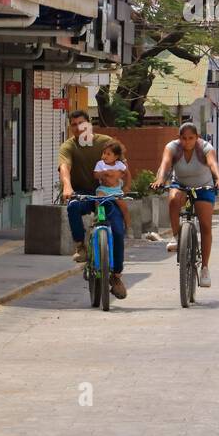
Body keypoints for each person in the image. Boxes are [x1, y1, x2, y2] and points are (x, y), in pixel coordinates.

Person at [59, 110, 127, 299]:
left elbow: (123, 166)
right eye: (73, 125)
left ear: (89, 124)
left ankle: (116, 276)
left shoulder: (104, 142)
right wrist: (67, 187)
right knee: (72, 206)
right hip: (83, 194)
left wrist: (122, 187)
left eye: (81, 123)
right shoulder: (68, 146)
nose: (78, 128)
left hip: (106, 195)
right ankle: (80, 245)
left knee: (119, 232)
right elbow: (65, 167)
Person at [151, 122, 219, 288]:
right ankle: (176, 236)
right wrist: (160, 179)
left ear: (197, 138)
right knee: (173, 198)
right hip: (181, 185)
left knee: (206, 226)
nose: (187, 142)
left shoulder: (205, 147)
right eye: (183, 138)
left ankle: (205, 268)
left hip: (203, 186)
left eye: (191, 138)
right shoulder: (172, 147)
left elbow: (213, 164)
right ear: (179, 138)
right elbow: (165, 164)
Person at [94, 141, 130, 226]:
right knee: (99, 200)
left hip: (115, 190)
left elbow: (127, 173)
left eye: (108, 154)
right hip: (103, 188)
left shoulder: (119, 165)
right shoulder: (100, 164)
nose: (105, 156)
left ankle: (128, 226)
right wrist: (103, 173)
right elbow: (95, 175)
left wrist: (127, 186)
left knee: (123, 207)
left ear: (116, 157)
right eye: (104, 153)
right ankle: (100, 217)